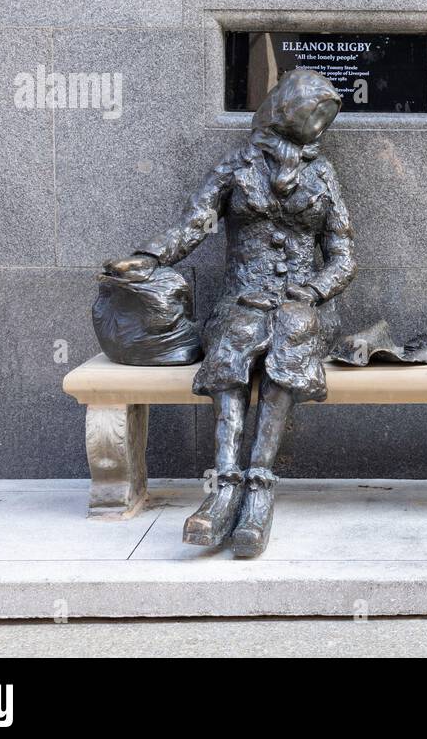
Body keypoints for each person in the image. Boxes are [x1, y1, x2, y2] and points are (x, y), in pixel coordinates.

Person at [104, 69, 356, 557]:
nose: (319, 128)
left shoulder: (323, 175)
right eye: (312, 116)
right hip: (242, 298)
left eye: (324, 120)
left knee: (294, 329)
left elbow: (344, 255)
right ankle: (223, 488)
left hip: (305, 305)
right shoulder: (236, 167)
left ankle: (259, 490)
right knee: (238, 334)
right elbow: (193, 226)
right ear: (283, 113)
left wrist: (311, 290)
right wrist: (150, 257)